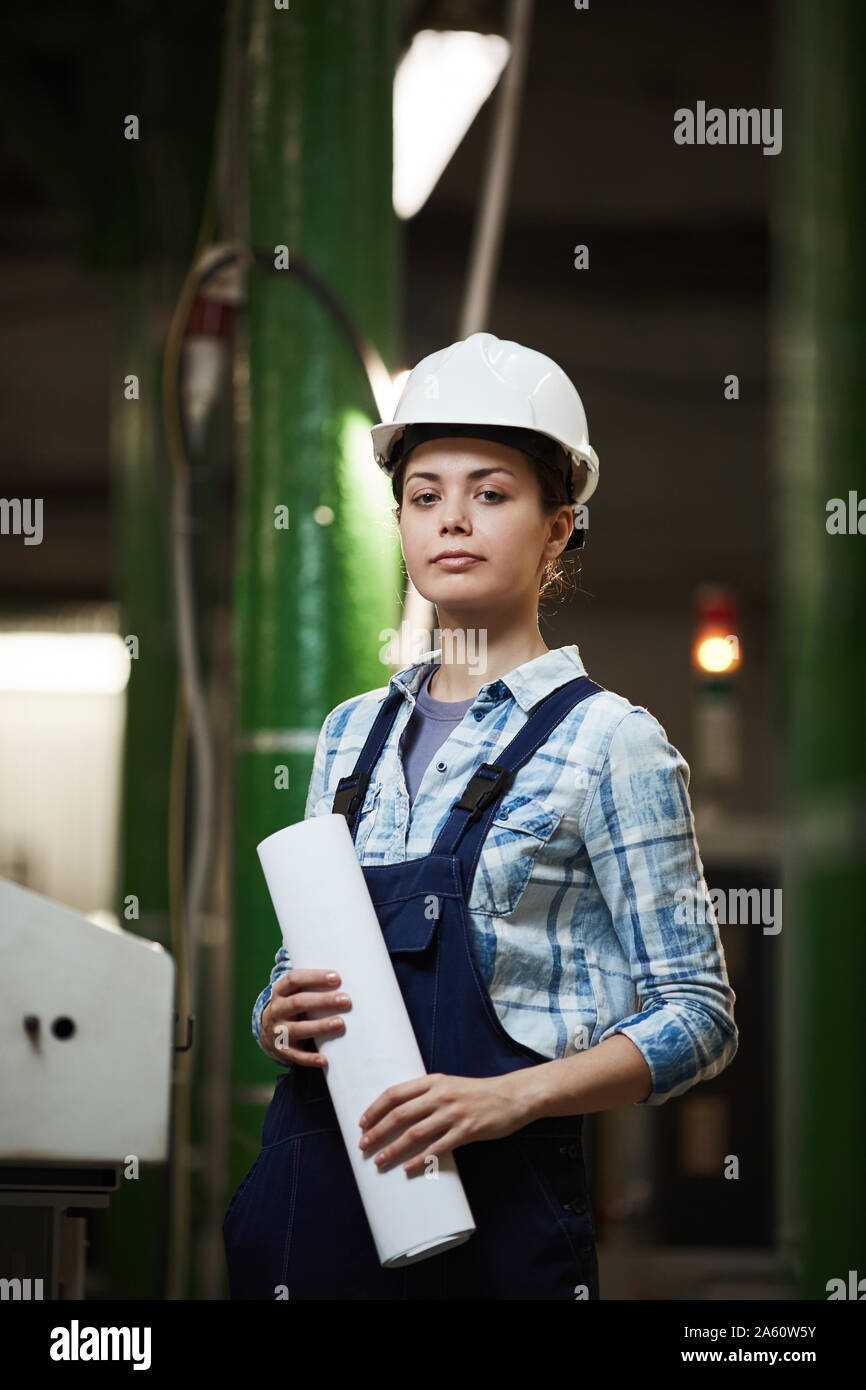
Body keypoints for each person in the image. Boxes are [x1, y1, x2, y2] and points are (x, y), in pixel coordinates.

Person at [223, 331, 738, 1300]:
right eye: (424, 494)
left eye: (490, 492)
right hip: (316, 1213)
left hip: (498, 1228)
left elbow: (698, 1018)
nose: (450, 519)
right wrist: (273, 1015)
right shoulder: (349, 733)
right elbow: (299, 970)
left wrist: (510, 1098)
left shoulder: (609, 743)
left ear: (558, 525)